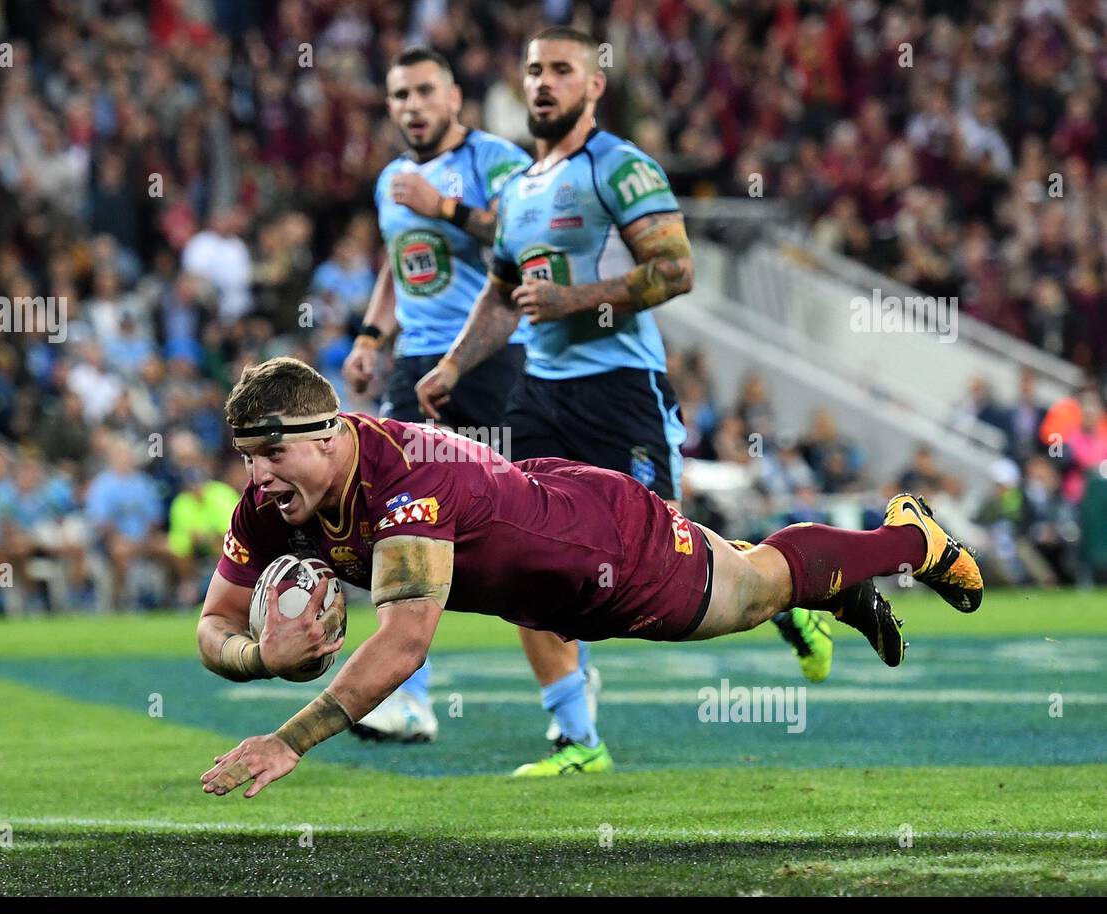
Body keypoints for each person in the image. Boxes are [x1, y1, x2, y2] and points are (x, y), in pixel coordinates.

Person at [196, 358, 982, 798]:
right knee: (751, 576)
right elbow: (214, 622)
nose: (258, 476)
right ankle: (832, 583)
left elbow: (404, 645)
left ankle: (908, 538)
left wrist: (288, 737)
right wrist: (257, 658)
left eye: (273, 453)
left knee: (753, 591)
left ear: (331, 435)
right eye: (247, 457)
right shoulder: (272, 502)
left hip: (597, 548)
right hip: (547, 529)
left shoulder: (402, 480)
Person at [415, 27, 833, 775]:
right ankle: (577, 737)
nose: (544, 83)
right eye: (535, 70)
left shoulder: (620, 167)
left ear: (594, 85)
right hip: (539, 394)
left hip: (620, 394)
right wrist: (453, 364)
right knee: (519, 555)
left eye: (561, 70)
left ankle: (785, 588)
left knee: (668, 562)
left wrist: (577, 298)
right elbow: (506, 296)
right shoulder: (517, 190)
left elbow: (676, 268)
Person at [338, 45, 533, 743]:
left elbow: (523, 236)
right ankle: (408, 696)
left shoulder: (496, 161)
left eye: (424, 91)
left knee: (523, 526)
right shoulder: (390, 178)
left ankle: (572, 666)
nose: (412, 105)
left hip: (492, 356)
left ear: (455, 97)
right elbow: (397, 270)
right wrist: (368, 336)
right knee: (395, 521)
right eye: (399, 95)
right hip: (411, 364)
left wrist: (445, 206)